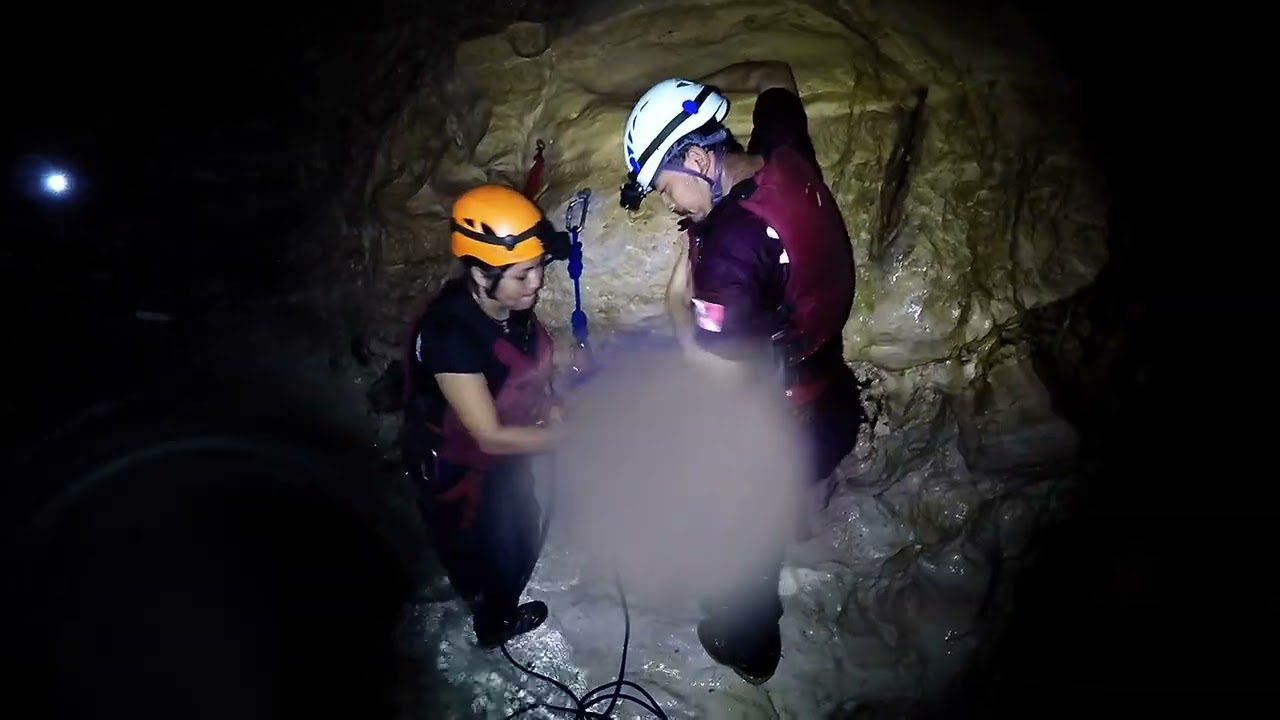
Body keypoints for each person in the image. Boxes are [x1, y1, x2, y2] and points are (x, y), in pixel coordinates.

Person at [619, 62, 866, 684]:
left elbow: (717, 379)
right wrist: (703, 86)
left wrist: (677, 307)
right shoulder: (779, 150)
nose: (668, 203)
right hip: (826, 381)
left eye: (665, 186)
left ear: (698, 163)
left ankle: (751, 647)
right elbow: (779, 71)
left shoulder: (731, 250)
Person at [399, 183, 571, 650]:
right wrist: (562, 439)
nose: (536, 284)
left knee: (520, 527)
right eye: (523, 275)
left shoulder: (504, 303)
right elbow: (489, 436)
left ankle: (491, 587)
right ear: (479, 274)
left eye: (538, 270)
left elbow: (523, 368)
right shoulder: (450, 335)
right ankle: (491, 622)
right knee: (482, 548)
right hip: (458, 462)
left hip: (499, 453)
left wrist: (549, 402)